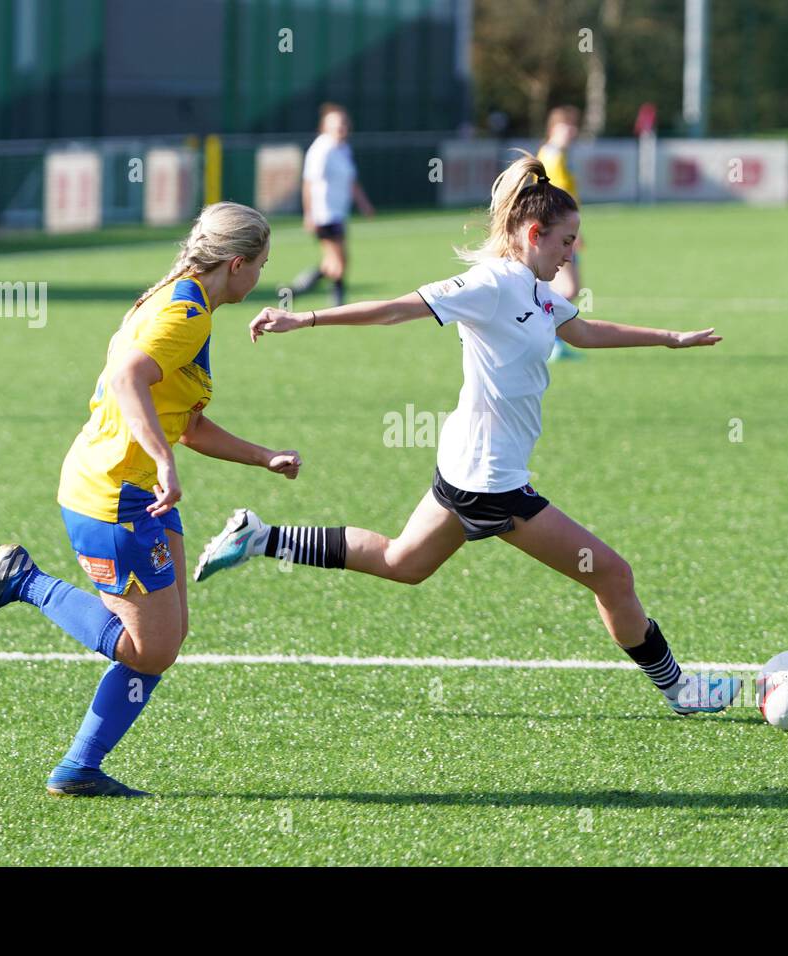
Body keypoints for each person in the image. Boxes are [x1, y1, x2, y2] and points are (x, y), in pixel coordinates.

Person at [194, 154, 740, 716]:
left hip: (470, 466)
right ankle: (681, 690)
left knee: (403, 562)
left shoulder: (536, 290)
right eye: (566, 241)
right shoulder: (492, 284)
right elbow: (393, 311)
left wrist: (670, 338)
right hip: (490, 480)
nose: (572, 253)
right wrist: (302, 319)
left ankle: (259, 538)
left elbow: (585, 330)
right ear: (533, 234)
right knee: (612, 575)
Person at [0, 203, 302, 797]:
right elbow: (126, 380)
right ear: (237, 264)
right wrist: (164, 463)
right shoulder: (186, 314)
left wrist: (262, 456)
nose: (261, 277)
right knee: (150, 647)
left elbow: (187, 425)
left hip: (139, 491)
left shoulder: (182, 303)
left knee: (168, 636)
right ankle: (23, 580)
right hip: (113, 493)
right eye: (261, 265)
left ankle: (79, 768)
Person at [287, 103, 375, 307]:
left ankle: (296, 290)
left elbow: (351, 181)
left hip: (338, 213)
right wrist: (309, 214)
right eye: (337, 124)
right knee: (338, 261)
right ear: (325, 127)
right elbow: (309, 183)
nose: (342, 127)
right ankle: (337, 302)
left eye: (344, 123)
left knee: (334, 262)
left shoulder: (343, 148)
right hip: (324, 214)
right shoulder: (321, 150)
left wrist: (364, 204)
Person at [538, 106, 584, 363]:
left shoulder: (557, 156)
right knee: (569, 288)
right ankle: (549, 340)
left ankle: (552, 341)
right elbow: (550, 197)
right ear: (554, 129)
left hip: (561, 230)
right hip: (558, 232)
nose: (573, 131)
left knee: (559, 289)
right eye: (567, 126)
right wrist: (566, 234)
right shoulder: (551, 157)